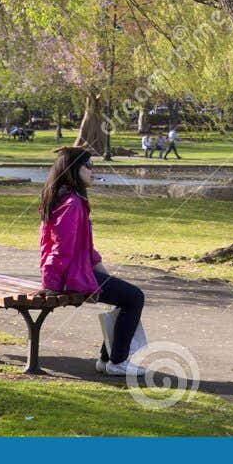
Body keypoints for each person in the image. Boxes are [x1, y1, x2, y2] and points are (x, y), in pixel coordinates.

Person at [38, 147, 147, 378]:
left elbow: (85, 247)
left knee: (127, 297)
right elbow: (60, 247)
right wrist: (50, 285)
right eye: (88, 165)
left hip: (78, 273)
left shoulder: (66, 197)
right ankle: (116, 362)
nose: (93, 171)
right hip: (72, 278)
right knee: (134, 297)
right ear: (73, 169)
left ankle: (107, 359)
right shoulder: (72, 203)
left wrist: (102, 272)